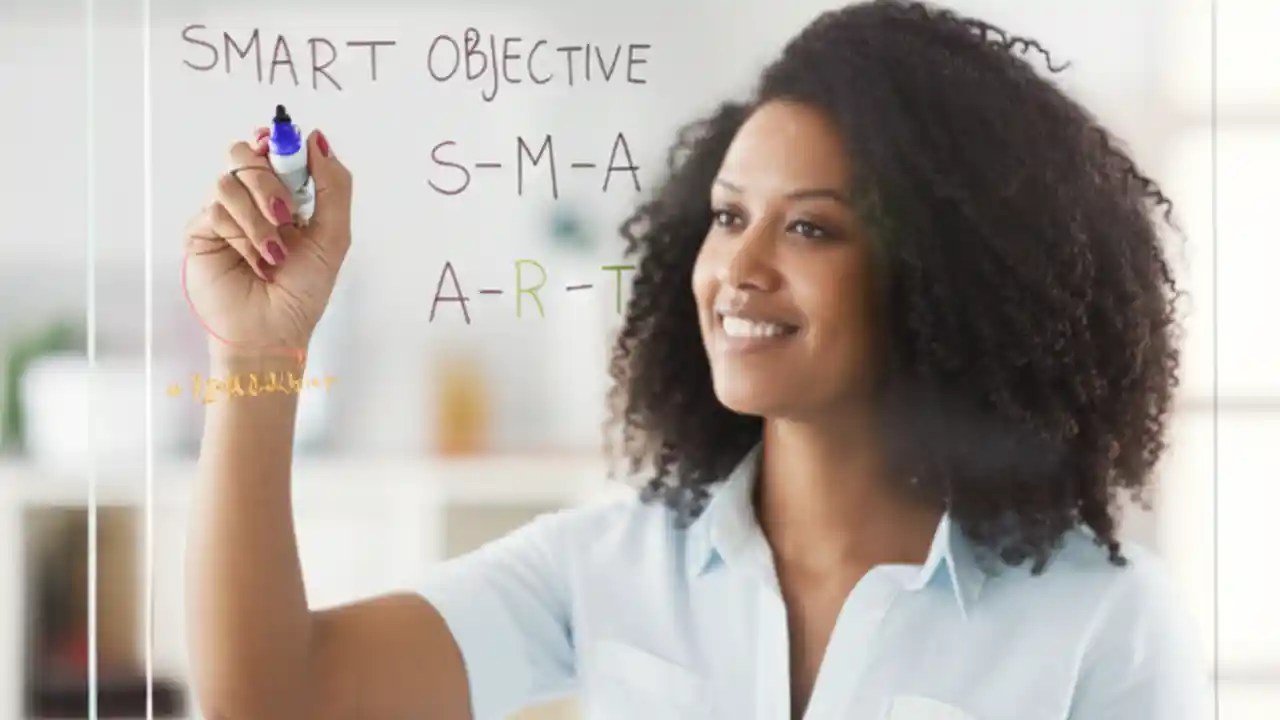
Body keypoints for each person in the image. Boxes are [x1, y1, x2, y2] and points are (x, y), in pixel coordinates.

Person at [182, 1, 1212, 718]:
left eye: (810, 230)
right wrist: (260, 350)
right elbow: (271, 697)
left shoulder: (1101, 622)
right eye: (727, 218)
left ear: (942, 276)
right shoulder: (607, 568)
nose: (739, 269)